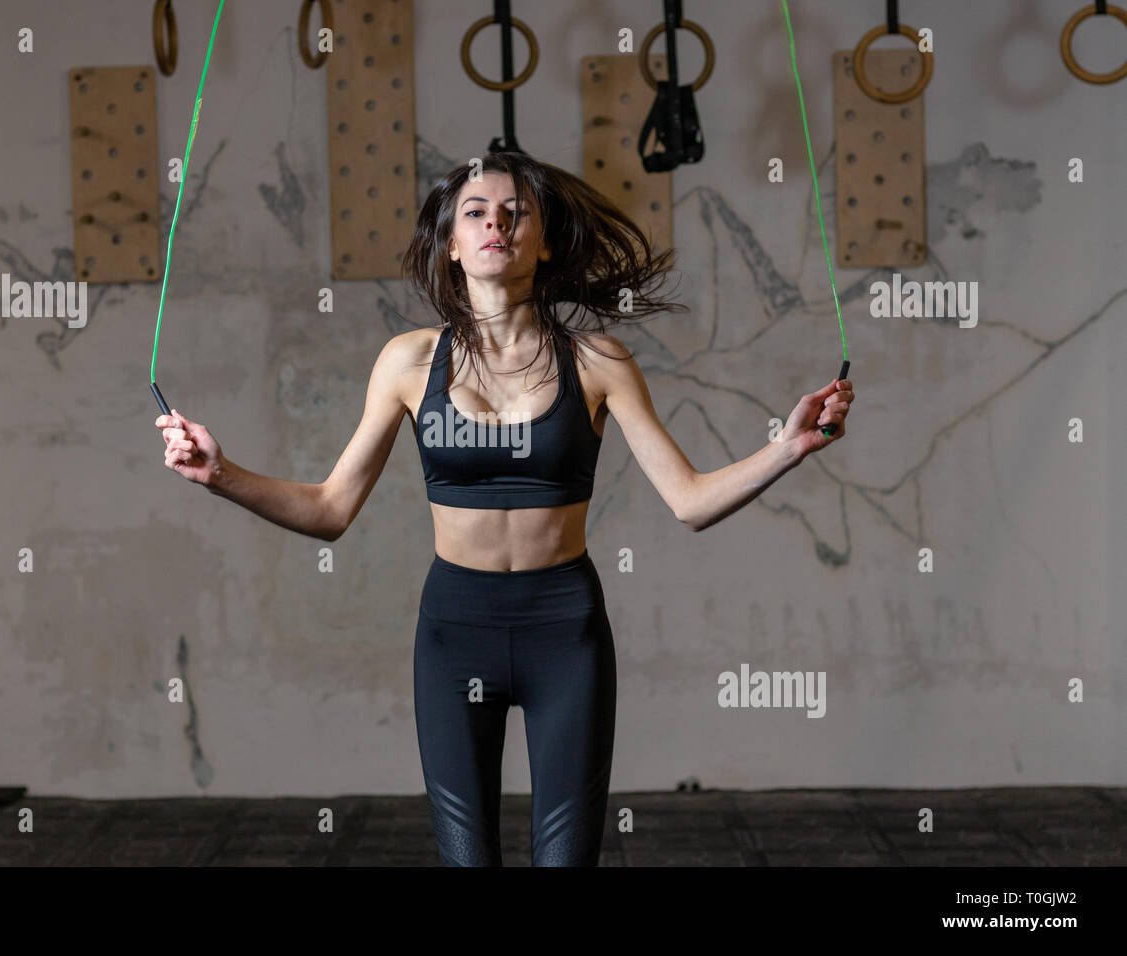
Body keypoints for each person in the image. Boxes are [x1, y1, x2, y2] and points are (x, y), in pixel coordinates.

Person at [155, 151, 855, 866]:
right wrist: (222, 474)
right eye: (476, 212)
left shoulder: (597, 361)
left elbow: (690, 501)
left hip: (566, 634)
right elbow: (332, 509)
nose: (497, 222)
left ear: (543, 242)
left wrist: (788, 447)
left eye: (516, 213)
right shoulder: (409, 362)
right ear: (452, 245)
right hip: (455, 633)